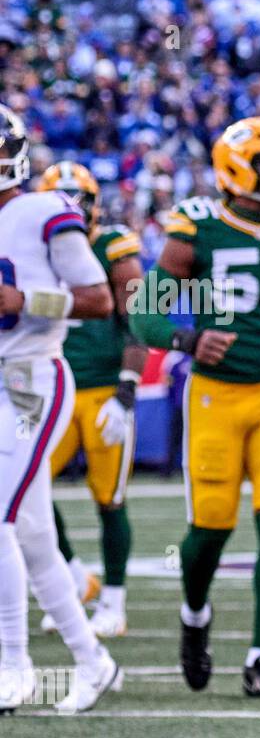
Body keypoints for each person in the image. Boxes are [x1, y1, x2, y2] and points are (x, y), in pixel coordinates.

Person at [129, 118, 260, 698]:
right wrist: (188, 340)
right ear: (236, 167)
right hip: (215, 393)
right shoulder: (197, 225)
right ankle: (195, 615)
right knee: (210, 528)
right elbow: (144, 311)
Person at [0, 106, 122, 715]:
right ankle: (93, 660)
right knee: (35, 538)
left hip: (30, 383)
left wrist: (24, 299)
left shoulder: (43, 209)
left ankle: (14, 665)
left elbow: (98, 299)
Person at [35, 163, 147, 638]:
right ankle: (77, 577)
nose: (73, 209)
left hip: (102, 388)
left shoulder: (113, 247)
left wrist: (126, 391)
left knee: (109, 500)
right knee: (26, 489)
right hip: (49, 386)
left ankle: (114, 602)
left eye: (79, 198)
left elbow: (139, 318)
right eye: (61, 199)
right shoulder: (30, 243)